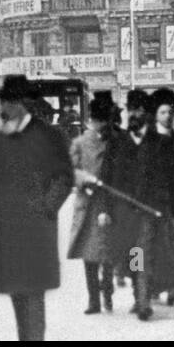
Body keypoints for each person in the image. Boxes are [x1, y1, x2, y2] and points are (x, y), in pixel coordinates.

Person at [0, 75, 74, 340]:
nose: (3, 107)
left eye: (10, 101)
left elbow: (64, 177)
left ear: (23, 103)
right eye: (2, 101)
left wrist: (47, 208)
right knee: (17, 290)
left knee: (33, 291)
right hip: (4, 227)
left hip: (36, 228)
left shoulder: (49, 135)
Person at [67, 91, 138, 314]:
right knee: (88, 254)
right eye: (98, 122)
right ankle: (93, 299)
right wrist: (84, 180)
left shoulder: (115, 141)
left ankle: (107, 289)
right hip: (87, 204)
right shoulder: (79, 143)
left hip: (108, 201)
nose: (101, 126)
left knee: (106, 250)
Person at [125, 88, 174, 319]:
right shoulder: (138, 141)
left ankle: (169, 288)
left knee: (167, 251)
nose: (168, 116)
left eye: (170, 112)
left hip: (165, 208)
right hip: (137, 208)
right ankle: (140, 298)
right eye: (163, 111)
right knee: (137, 254)